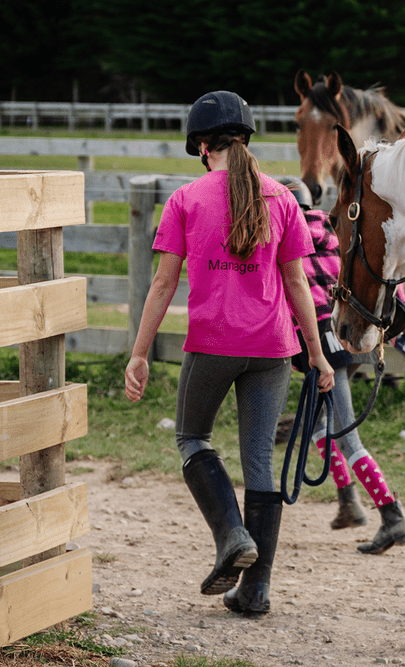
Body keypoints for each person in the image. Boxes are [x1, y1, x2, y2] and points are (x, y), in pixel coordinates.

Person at [124, 90, 335, 617]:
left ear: (202, 146)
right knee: (259, 460)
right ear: (245, 138)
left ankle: (232, 536)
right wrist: (317, 354)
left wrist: (139, 353)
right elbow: (298, 284)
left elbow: (162, 284)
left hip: (214, 343)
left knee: (192, 437)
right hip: (273, 348)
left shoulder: (186, 199)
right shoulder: (282, 199)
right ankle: (255, 592)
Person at [284, 190, 405, 555]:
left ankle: (392, 516)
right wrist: (403, 319)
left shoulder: (284, 234)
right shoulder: (336, 229)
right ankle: (348, 502)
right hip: (353, 330)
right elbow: (380, 270)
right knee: (317, 425)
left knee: (348, 439)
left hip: (320, 338)